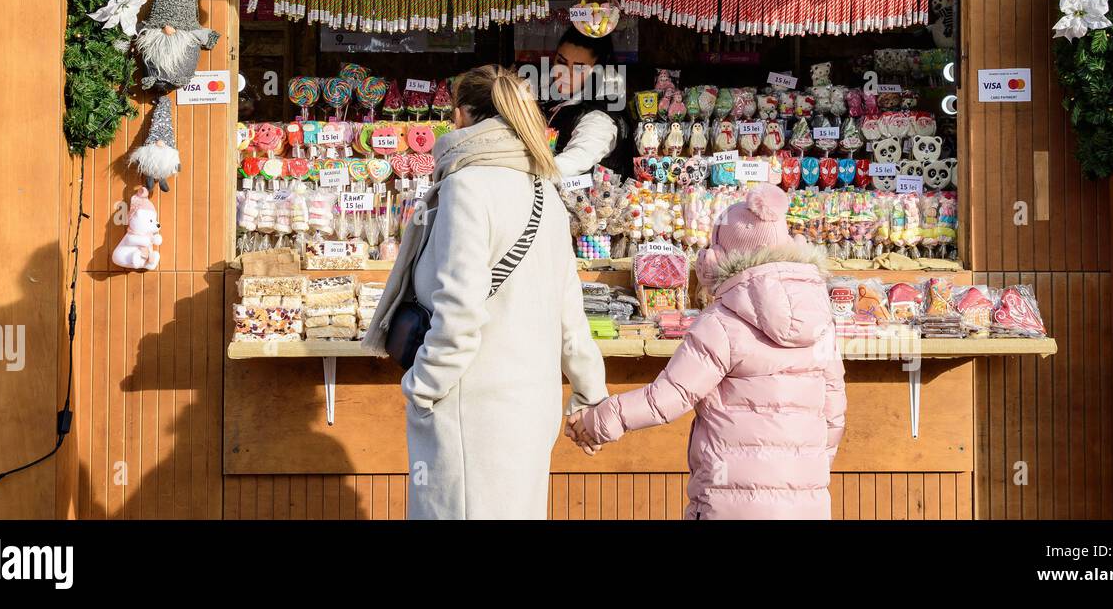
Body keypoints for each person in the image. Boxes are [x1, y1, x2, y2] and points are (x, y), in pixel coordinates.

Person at [362, 65, 608, 519]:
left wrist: (424, 386)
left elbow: (458, 310)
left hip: (473, 408)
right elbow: (569, 311)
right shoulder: (544, 189)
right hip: (530, 405)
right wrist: (590, 391)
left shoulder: (466, 186)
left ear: (461, 115)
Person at [566, 184, 847, 519]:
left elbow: (667, 398)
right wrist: (803, 476)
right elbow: (833, 413)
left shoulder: (722, 322)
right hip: (806, 506)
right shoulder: (821, 322)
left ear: (720, 259)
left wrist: (597, 421)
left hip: (730, 504)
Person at [545, 26, 632, 178]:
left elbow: (575, 160)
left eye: (579, 69)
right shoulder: (552, 97)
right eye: (561, 62)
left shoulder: (601, 117)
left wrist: (527, 172)